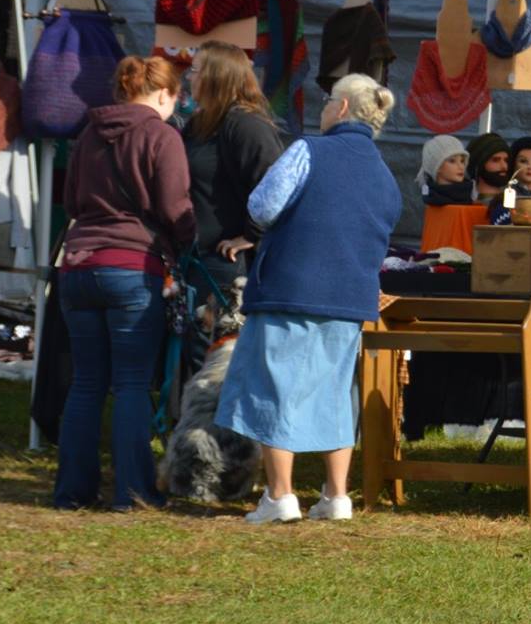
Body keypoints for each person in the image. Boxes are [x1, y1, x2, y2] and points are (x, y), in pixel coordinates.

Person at [216, 74, 402, 524]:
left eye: (326, 102)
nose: (321, 109)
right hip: (349, 298)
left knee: (274, 387)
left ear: (341, 109)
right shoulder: (384, 173)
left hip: (292, 288)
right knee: (335, 393)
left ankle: (279, 497)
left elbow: (263, 207)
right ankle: (337, 497)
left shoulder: (308, 150)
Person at [53, 55, 195, 510]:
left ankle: (72, 492)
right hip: (131, 266)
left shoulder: (87, 134)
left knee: (87, 383)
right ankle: (133, 494)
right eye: (176, 97)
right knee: (131, 383)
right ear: (163, 94)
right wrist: (188, 242)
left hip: (77, 263)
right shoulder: (162, 135)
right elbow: (175, 207)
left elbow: (71, 199)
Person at [182, 44, 285, 370]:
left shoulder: (246, 125)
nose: (189, 77)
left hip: (229, 266)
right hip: (199, 260)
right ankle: (189, 420)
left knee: (216, 361)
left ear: (216, 77)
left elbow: (277, 185)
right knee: (197, 357)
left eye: (196, 70)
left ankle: (213, 422)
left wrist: (251, 234)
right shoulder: (199, 125)